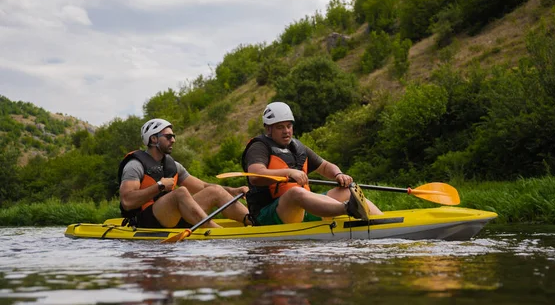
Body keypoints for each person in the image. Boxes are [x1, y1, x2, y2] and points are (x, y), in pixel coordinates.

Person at [241, 102, 382, 225]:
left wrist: (338, 174)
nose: (286, 131)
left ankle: (380, 221)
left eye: (289, 126)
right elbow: (255, 175)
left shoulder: (297, 147)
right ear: (268, 128)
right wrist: (289, 172)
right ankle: (348, 209)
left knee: (346, 191)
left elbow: (326, 167)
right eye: (280, 127)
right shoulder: (259, 147)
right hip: (268, 215)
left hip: (302, 210)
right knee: (295, 192)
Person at [119, 118, 251, 229]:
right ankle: (215, 230)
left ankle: (253, 221)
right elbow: (127, 201)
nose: (173, 140)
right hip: (145, 222)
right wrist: (159, 186)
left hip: (172, 217)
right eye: (168, 137)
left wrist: (232, 190)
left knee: (214, 190)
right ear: (153, 139)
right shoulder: (135, 165)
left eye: (173, 136)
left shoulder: (173, 166)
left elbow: (203, 187)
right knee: (180, 192)